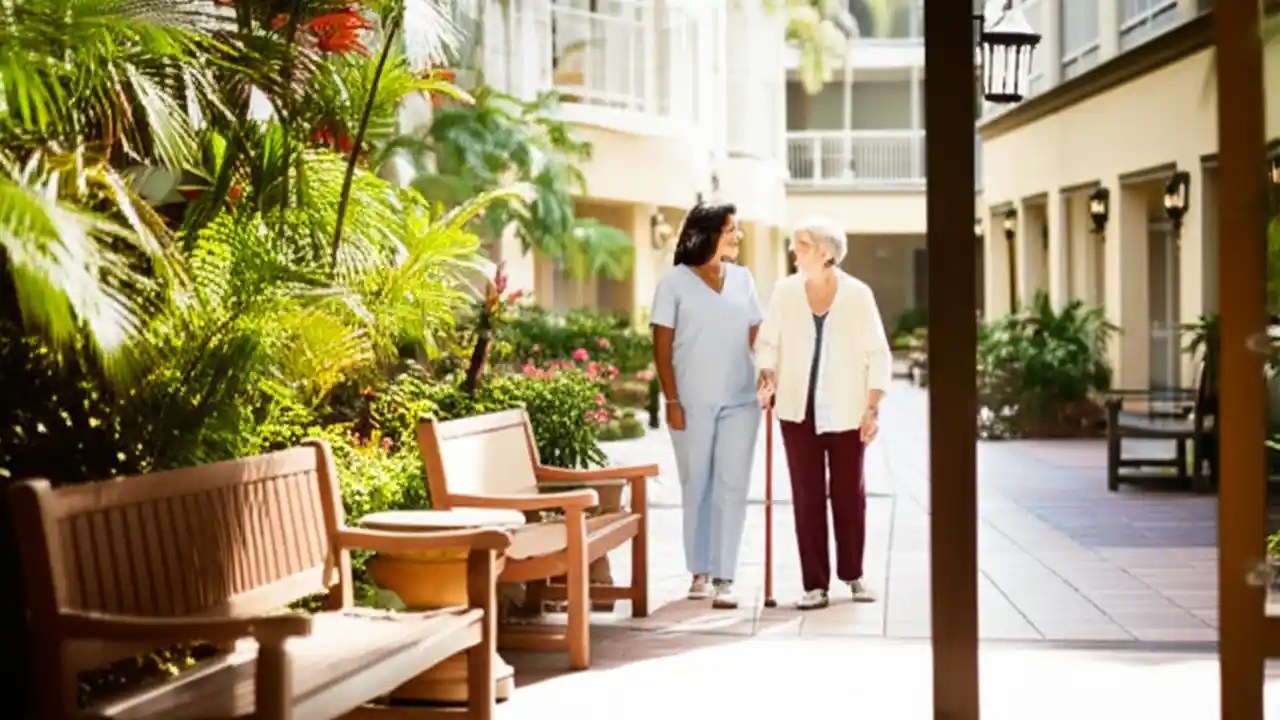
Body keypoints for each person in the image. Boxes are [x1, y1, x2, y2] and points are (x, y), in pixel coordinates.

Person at [754, 217, 892, 610]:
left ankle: (853, 575)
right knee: (806, 497)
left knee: (850, 495)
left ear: (825, 252)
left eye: (802, 245)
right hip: (797, 411)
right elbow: (768, 343)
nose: (794, 252)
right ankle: (814, 584)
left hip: (847, 411)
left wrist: (872, 408)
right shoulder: (785, 292)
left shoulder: (857, 294)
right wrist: (767, 373)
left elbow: (877, 353)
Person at [651, 202, 763, 610]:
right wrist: (672, 399)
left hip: (741, 400)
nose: (738, 236)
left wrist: (769, 371)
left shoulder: (744, 279)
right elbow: (661, 345)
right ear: (709, 233)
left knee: (732, 486)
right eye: (732, 229)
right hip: (691, 401)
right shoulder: (675, 283)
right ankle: (698, 570)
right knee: (697, 484)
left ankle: (724, 575)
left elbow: (757, 336)